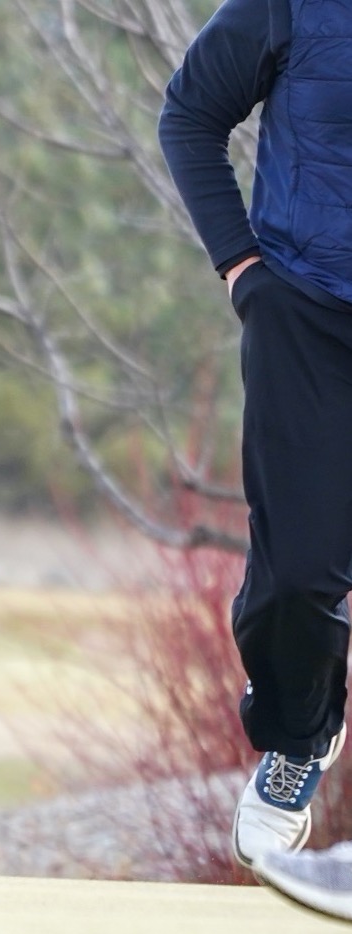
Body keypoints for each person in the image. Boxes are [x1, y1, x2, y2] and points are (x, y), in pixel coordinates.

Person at [159, 0, 352, 875]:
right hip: (304, 311)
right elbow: (189, 114)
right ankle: (297, 733)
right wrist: (242, 267)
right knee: (295, 577)